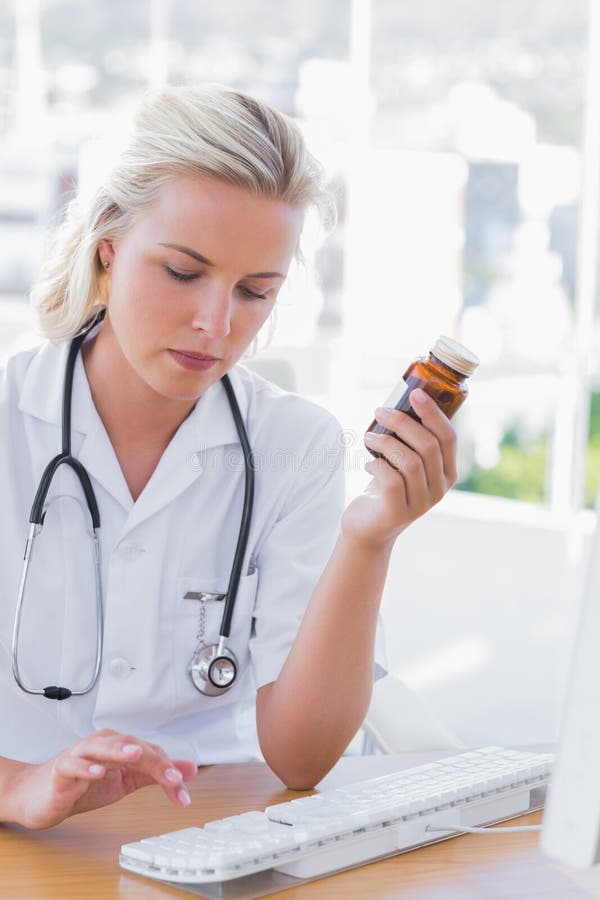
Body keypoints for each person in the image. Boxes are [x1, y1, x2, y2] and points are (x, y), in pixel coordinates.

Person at [0, 85, 457, 830]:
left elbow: (301, 759)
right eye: (182, 272)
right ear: (107, 247)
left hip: (214, 836)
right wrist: (16, 786)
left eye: (255, 292)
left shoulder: (294, 446)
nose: (215, 323)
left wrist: (369, 539)